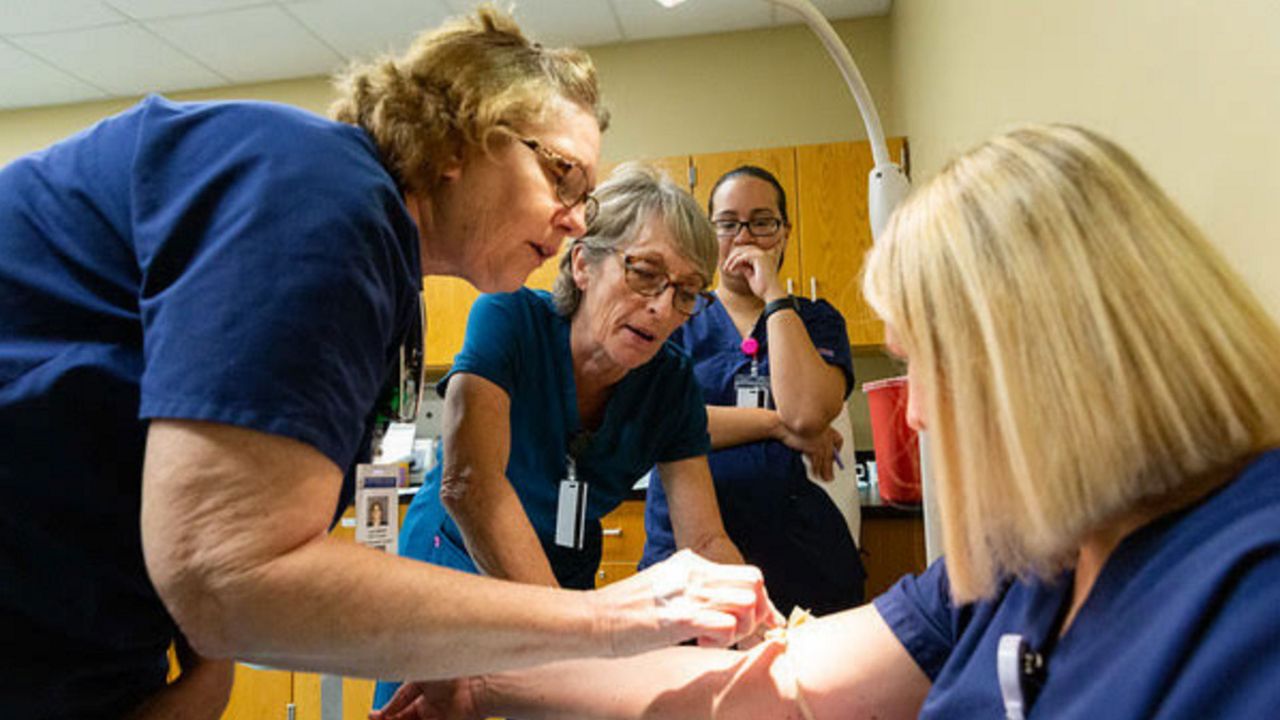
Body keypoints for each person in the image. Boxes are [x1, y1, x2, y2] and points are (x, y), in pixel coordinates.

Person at [0, 8, 774, 719]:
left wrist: (441, 659)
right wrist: (611, 619)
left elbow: (217, 584)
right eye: (561, 174)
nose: (575, 221)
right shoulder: (316, 195)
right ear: (462, 139)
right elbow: (227, 580)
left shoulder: (389, 297)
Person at [372, 124, 1280, 720]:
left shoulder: (1245, 592)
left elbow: (720, 544)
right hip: (470, 604)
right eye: (647, 276)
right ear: (584, 264)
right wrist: (491, 676)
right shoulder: (1018, 576)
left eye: (928, 362)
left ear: (1049, 353)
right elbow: (782, 684)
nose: (913, 412)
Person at [374, 162, 750, 707]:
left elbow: (707, 540)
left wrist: (759, 628)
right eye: (645, 272)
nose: (663, 307)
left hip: (561, 579)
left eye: (688, 292)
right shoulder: (510, 319)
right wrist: (576, 638)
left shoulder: (670, 384)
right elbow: (468, 484)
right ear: (582, 265)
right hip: (456, 562)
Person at [640, 165, 865, 617]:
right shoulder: (674, 315)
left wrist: (775, 297)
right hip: (688, 556)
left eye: (762, 222)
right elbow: (664, 420)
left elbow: (806, 413)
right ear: (709, 232)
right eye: (727, 223)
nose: (744, 237)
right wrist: (775, 426)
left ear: (784, 232)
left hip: (803, 558)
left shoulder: (816, 319)